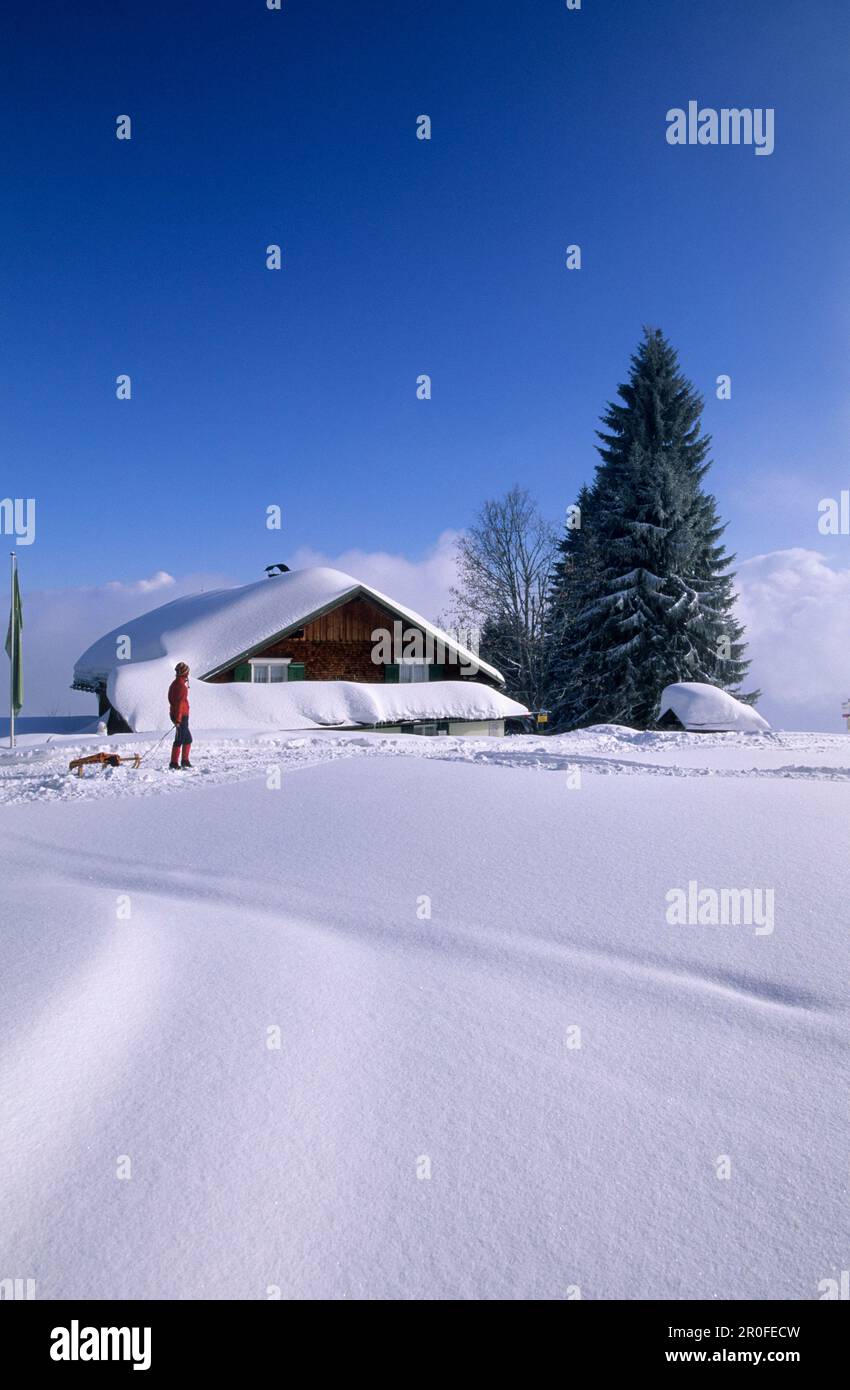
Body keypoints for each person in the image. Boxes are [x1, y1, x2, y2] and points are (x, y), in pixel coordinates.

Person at [168, 662, 193, 769]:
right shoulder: (181, 686)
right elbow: (179, 703)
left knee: (188, 739)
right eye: (187, 672)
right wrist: (178, 719)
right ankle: (173, 763)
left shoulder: (175, 683)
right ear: (185, 673)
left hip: (179, 715)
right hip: (181, 716)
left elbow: (172, 700)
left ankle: (185, 761)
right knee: (179, 739)